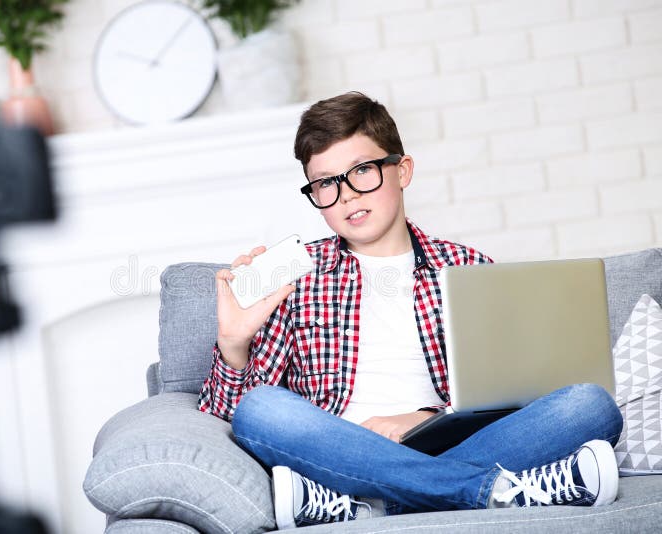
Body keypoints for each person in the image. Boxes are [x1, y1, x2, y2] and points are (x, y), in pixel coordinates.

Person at [198, 92, 623, 529]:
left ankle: (375, 503)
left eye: (362, 170)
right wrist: (233, 345)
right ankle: (487, 491)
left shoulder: (467, 266)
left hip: (448, 445)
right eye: (325, 183)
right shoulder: (294, 273)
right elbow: (230, 419)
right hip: (341, 454)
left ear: (402, 171)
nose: (346, 196)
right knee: (261, 409)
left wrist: (422, 419)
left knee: (591, 405)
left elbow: (508, 400)